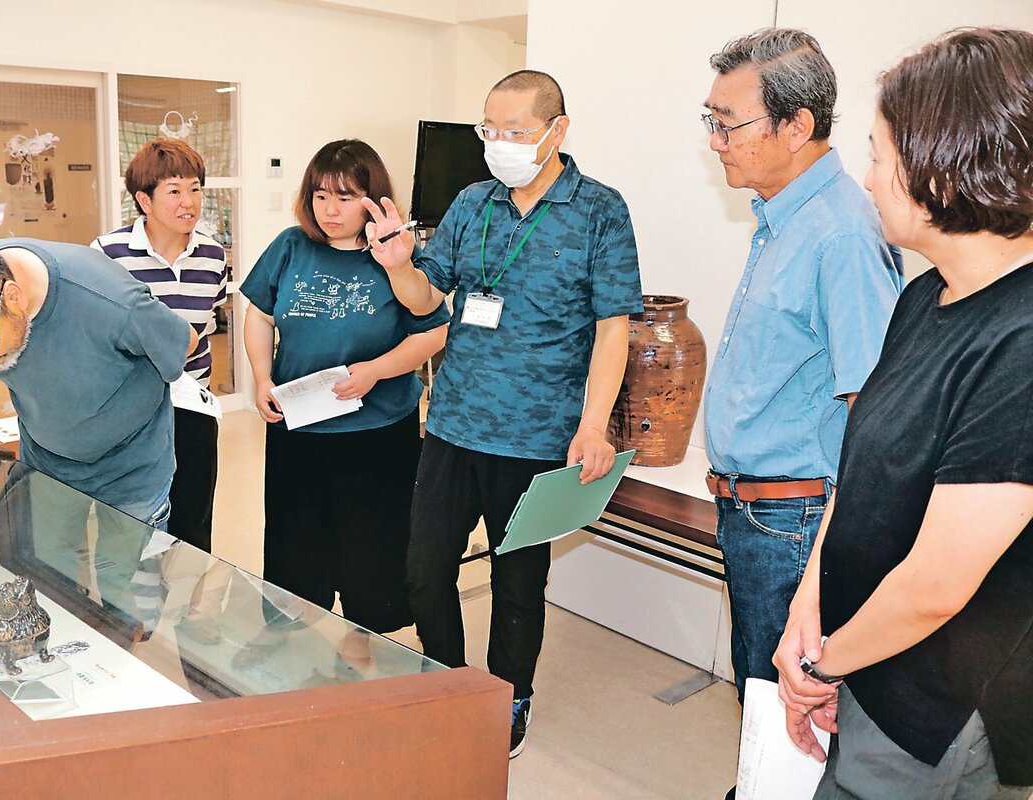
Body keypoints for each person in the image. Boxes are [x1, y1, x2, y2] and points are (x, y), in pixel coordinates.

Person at [773, 27, 1033, 799]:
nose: (868, 178)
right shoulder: (925, 296)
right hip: (863, 653)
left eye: (880, 156)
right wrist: (808, 613)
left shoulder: (1021, 341)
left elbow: (936, 585)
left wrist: (822, 667)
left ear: (942, 168)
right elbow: (862, 473)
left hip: (936, 703)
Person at [361, 69, 642, 757]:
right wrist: (398, 265)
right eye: (490, 130)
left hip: (538, 434)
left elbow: (614, 328)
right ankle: (451, 685)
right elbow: (427, 298)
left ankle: (511, 696)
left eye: (516, 132)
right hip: (453, 424)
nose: (499, 144)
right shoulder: (471, 203)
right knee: (425, 572)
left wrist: (593, 424)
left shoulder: (599, 210)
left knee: (518, 584)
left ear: (557, 131)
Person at [700, 27, 902, 706]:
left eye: (728, 124)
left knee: (784, 711)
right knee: (761, 702)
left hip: (794, 524)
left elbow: (874, 414)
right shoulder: (784, 218)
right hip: (758, 513)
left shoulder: (839, 233)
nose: (716, 142)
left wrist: (825, 560)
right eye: (711, 121)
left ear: (797, 127)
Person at [239, 140, 449, 661]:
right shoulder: (291, 246)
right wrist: (261, 377)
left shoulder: (398, 257)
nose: (330, 210)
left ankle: (365, 632)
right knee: (294, 533)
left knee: (372, 537)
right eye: (320, 196)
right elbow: (259, 315)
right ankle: (288, 622)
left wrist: (375, 371)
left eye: (345, 197)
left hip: (377, 428)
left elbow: (433, 332)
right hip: (298, 421)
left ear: (372, 200)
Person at [0, 241, 196, 607]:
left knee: (127, 592)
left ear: (13, 298)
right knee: (47, 579)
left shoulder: (108, 300)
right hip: (47, 460)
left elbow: (185, 342)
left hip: (132, 464)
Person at [93, 138, 228, 554]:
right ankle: (128, 598)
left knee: (192, 522)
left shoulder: (214, 256)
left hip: (192, 408)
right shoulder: (108, 253)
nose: (189, 202)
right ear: (144, 201)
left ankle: (184, 595)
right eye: (174, 191)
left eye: (195, 189)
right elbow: (97, 333)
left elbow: (208, 327)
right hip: (130, 410)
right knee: (128, 524)